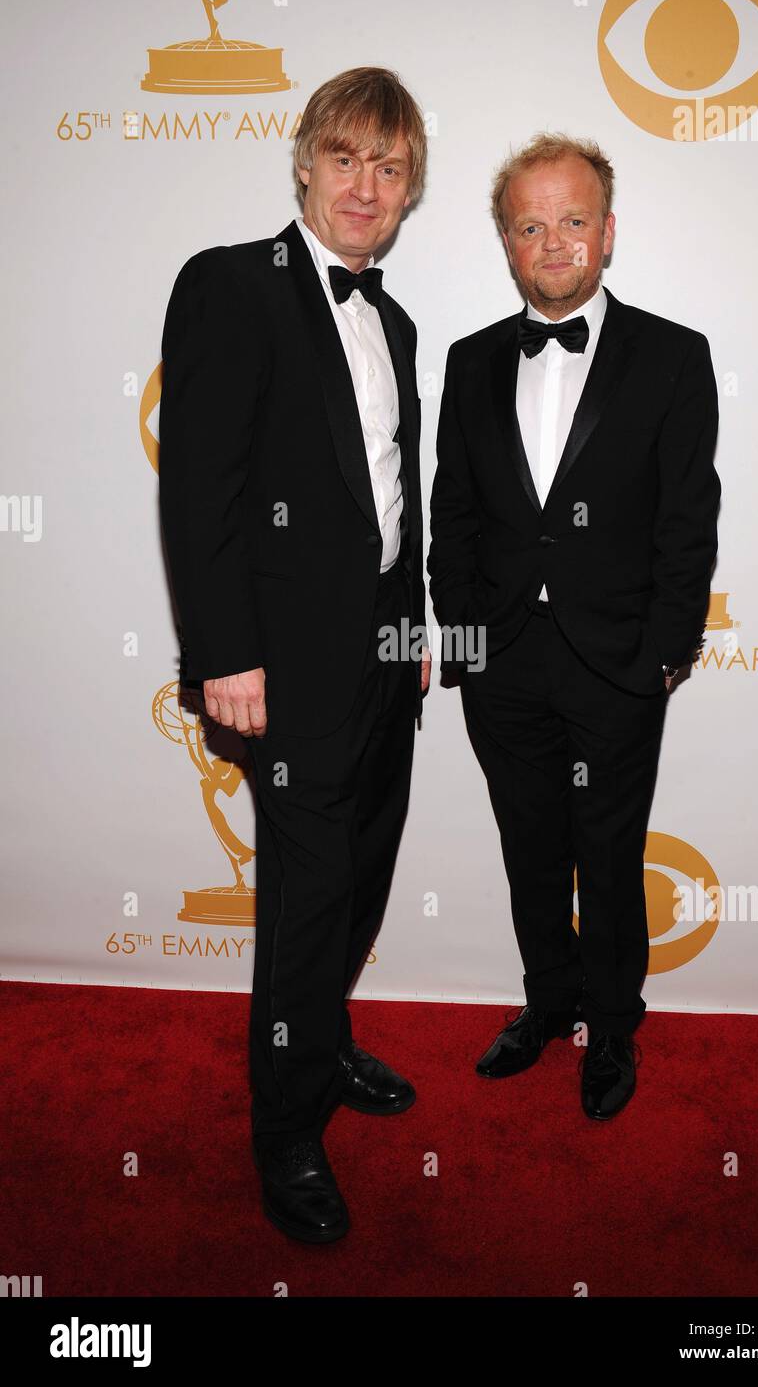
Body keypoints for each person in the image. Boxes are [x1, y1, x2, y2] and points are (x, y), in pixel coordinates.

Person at [159, 67, 429, 1242]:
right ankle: (284, 1130)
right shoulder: (232, 285)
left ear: (409, 188)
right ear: (305, 162)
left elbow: (394, 502)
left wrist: (420, 635)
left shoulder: (398, 322)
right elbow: (200, 488)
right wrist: (223, 655)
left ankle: (323, 1049)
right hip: (280, 672)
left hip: (382, 663)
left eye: (390, 166)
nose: (365, 186)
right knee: (305, 905)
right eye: (346, 159)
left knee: (359, 883)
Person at [428, 132, 720, 1122]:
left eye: (573, 221)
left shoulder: (674, 357)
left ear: (608, 233)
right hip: (503, 659)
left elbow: (689, 517)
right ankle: (546, 1007)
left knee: (610, 849)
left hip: (617, 665)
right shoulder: (468, 362)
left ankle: (612, 1025)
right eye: (530, 224)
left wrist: (666, 654)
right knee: (530, 845)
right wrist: (465, 637)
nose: (553, 243)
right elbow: (452, 515)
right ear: (507, 243)